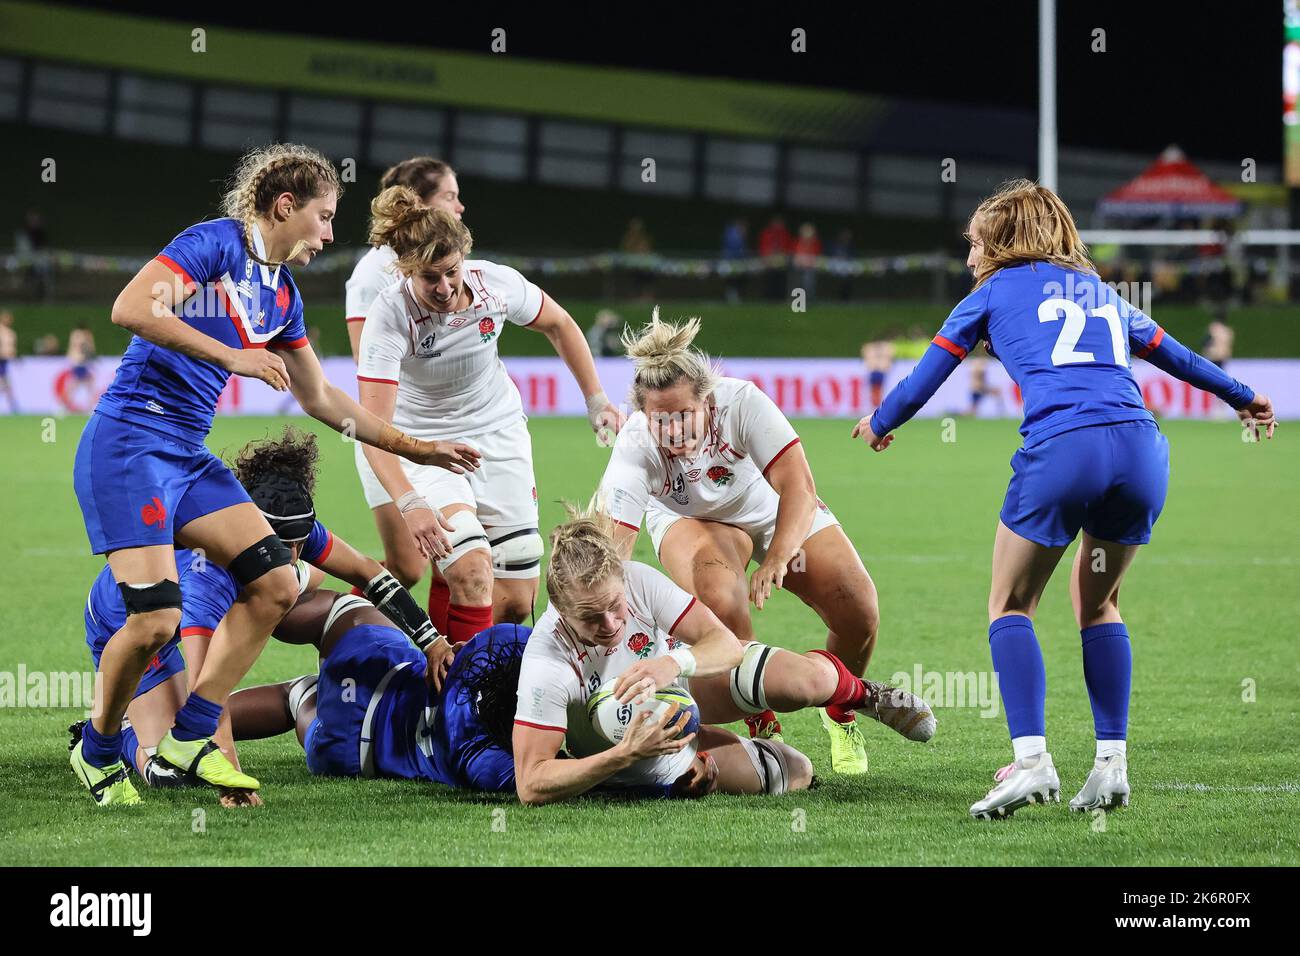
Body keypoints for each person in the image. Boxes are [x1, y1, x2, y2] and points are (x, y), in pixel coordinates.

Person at [851, 179, 1277, 819]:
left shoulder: (990, 292)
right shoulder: (1102, 294)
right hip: (1139, 452)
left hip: (1064, 452)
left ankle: (1030, 763)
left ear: (1000, 240)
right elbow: (1178, 356)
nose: (970, 256)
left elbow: (925, 378)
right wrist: (1244, 397)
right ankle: (1111, 765)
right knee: (1100, 602)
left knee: (1010, 603)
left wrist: (881, 421)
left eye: (975, 243)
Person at [69, 143, 477, 807]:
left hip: (184, 452)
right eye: (323, 216)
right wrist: (232, 355)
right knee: (154, 621)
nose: (329, 233)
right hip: (129, 444)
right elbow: (133, 308)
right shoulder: (213, 246)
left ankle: (189, 737)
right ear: (285, 206)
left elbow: (322, 399)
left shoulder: (280, 295)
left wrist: (416, 447)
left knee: (272, 581)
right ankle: (97, 749)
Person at [596, 312, 936, 775]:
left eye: (683, 416)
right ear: (642, 414)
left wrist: (777, 557)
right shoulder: (635, 444)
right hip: (685, 517)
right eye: (660, 420)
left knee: (858, 607)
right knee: (720, 596)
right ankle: (763, 725)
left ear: (707, 400)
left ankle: (839, 706)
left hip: (763, 505)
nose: (673, 431)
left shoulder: (743, 402)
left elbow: (798, 485)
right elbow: (613, 550)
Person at [74, 428, 446, 806]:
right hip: (129, 624)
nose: (296, 551)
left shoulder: (286, 531)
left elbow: (368, 572)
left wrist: (431, 640)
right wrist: (231, 777)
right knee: (170, 771)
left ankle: (296, 667)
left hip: (218, 597)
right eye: (284, 547)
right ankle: (116, 730)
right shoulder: (206, 581)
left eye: (301, 543)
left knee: (294, 580)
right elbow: (207, 693)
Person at [356, 186, 622, 648]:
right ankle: (460, 709)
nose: (444, 287)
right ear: (405, 272)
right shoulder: (390, 315)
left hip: (498, 434)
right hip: (425, 446)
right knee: (471, 569)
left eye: (451, 271)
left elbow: (559, 323)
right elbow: (372, 429)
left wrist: (596, 398)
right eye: (428, 278)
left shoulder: (495, 284)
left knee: (518, 596)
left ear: (465, 256)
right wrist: (410, 502)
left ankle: (494, 685)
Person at [512, 512, 817, 804]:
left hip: (682, 689)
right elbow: (530, 784)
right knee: (788, 771)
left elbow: (726, 644)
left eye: (615, 605)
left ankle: (855, 695)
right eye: (590, 617)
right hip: (628, 767)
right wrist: (624, 755)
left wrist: (672, 663)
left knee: (803, 708)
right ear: (560, 611)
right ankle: (698, 745)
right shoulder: (546, 660)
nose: (610, 624)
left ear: (623, 582)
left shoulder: (638, 581)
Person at [227, 592, 522, 793]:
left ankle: (229, 599)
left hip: (375, 669)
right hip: (351, 749)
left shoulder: (504, 642)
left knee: (339, 608)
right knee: (295, 695)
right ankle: (187, 730)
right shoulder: (487, 761)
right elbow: (535, 779)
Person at [344, 157, 466, 635]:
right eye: (450, 195)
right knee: (410, 567)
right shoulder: (374, 273)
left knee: (447, 562)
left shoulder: (449, 260)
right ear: (420, 201)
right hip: (393, 429)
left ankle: (446, 664)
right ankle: (328, 620)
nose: (460, 204)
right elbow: (366, 360)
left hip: (446, 428)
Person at [65, 322, 96, 409]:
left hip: (79, 361)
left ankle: (89, 405)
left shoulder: (75, 334)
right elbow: (89, 349)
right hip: (80, 361)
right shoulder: (83, 335)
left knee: (84, 384)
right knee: (76, 385)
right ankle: (66, 405)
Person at [860, 335, 895, 411]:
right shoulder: (872, 348)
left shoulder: (881, 348)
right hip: (875, 371)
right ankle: (875, 406)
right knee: (875, 390)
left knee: (877, 390)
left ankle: (876, 406)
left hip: (878, 371)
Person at [0, 311, 17, 413]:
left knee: (6, 383)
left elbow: (11, 349)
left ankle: (13, 406)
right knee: (5, 383)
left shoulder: (10, 333)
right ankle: (13, 405)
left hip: (5, 361)